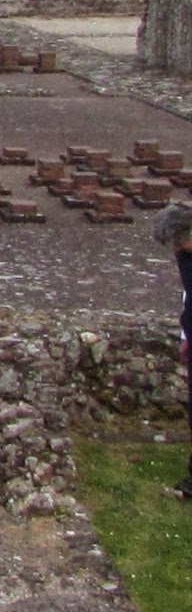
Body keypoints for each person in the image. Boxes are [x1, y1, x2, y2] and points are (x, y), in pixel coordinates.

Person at [154, 202, 192, 498]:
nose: (177, 249)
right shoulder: (186, 255)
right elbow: (188, 297)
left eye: (179, 241)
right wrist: (185, 335)